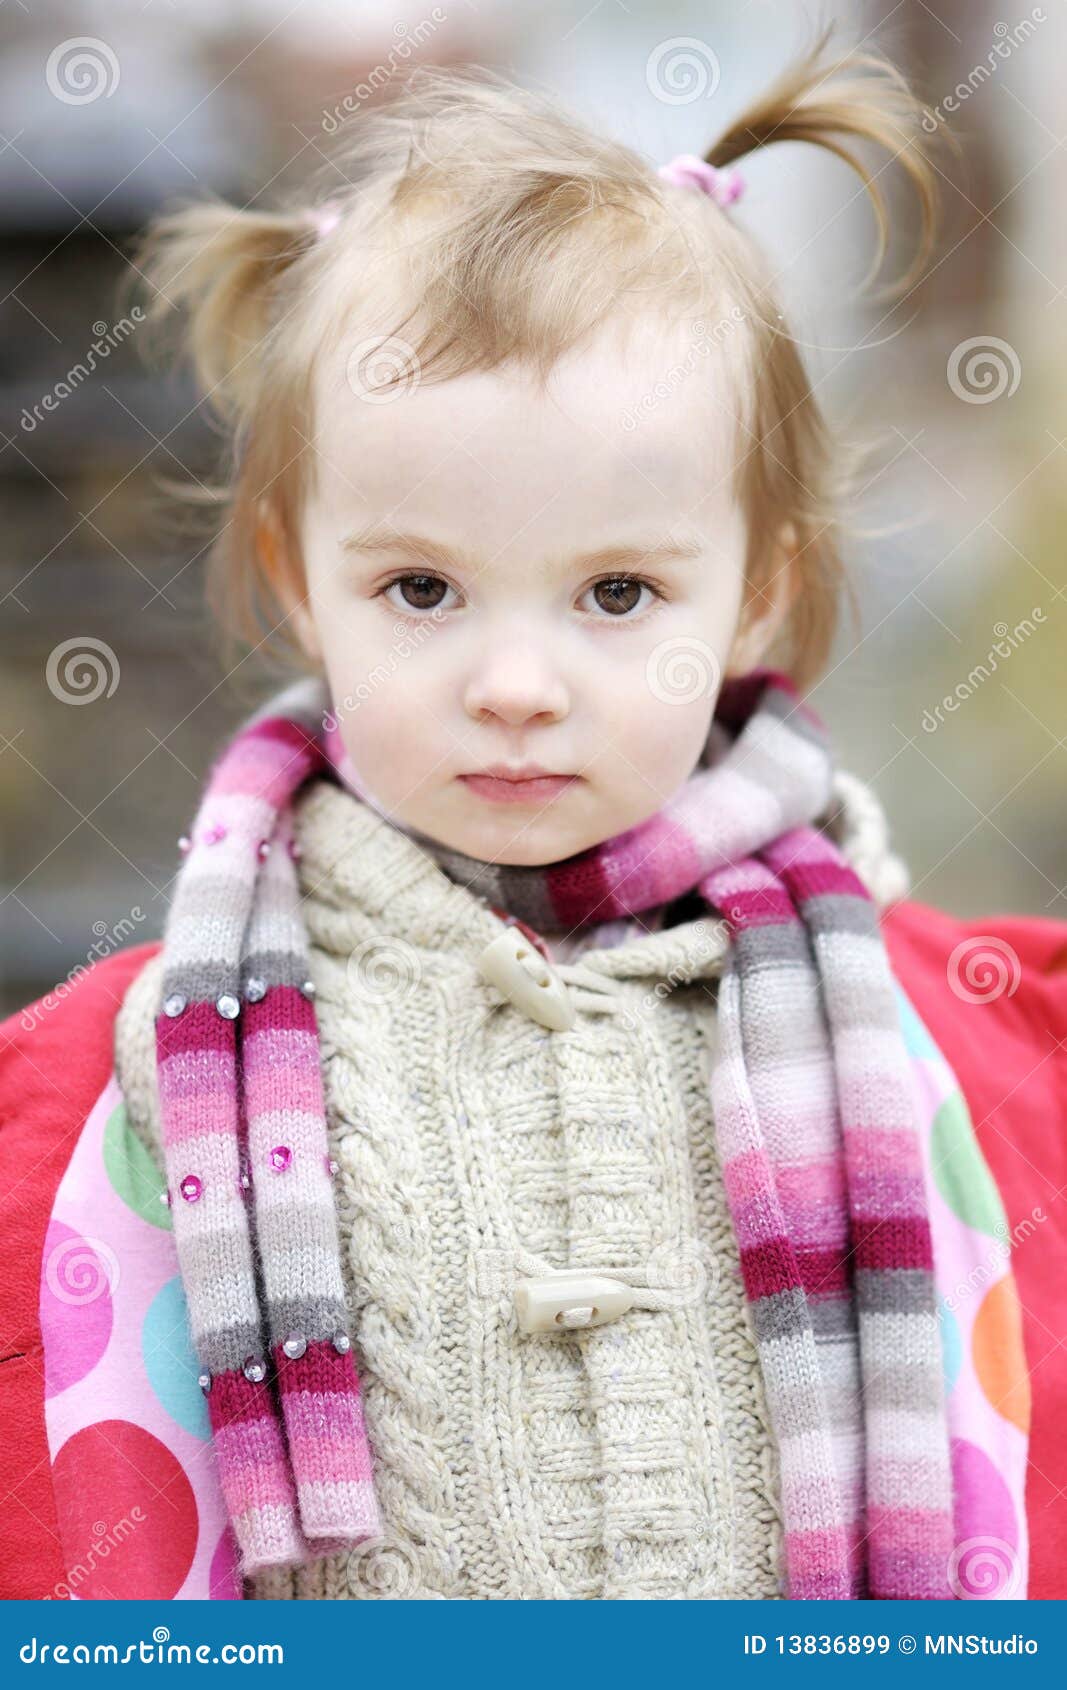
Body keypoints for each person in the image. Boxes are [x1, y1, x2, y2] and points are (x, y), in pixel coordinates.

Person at [3, 27, 1064, 1603]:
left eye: (618, 592)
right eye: (421, 587)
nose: (515, 681)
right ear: (303, 582)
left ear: (757, 583)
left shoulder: (923, 1043)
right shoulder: (162, 1071)